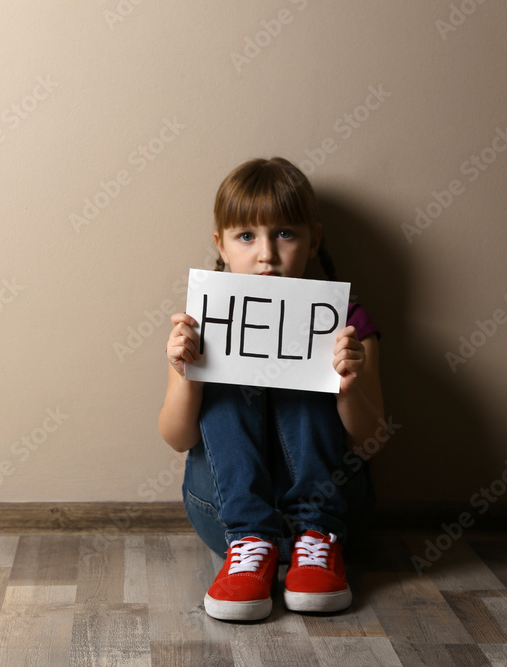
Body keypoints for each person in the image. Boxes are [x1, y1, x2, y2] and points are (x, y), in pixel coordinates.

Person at [158, 157, 385, 622]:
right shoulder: (205, 323)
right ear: (220, 244)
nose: (266, 254)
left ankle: (315, 541)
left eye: (285, 233)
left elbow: (371, 441)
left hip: (333, 515)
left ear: (313, 239)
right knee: (225, 371)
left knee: (308, 364)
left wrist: (345, 386)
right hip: (224, 517)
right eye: (247, 236)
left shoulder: (346, 323)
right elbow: (177, 438)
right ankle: (250, 543)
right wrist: (185, 373)